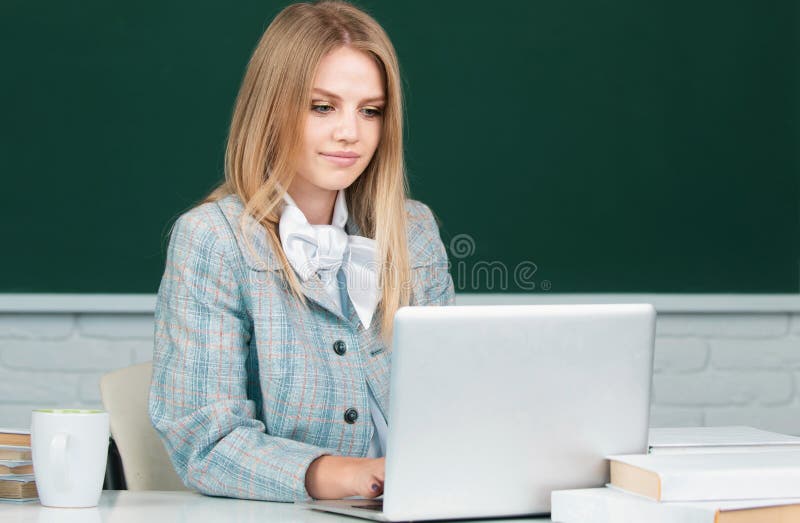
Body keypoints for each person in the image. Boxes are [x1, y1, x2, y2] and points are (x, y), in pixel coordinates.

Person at [149, 0, 454, 503]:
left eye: (370, 111)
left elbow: (451, 401)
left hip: (432, 504)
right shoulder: (212, 240)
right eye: (322, 106)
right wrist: (352, 476)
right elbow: (205, 442)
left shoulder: (413, 230)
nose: (350, 133)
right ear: (272, 108)